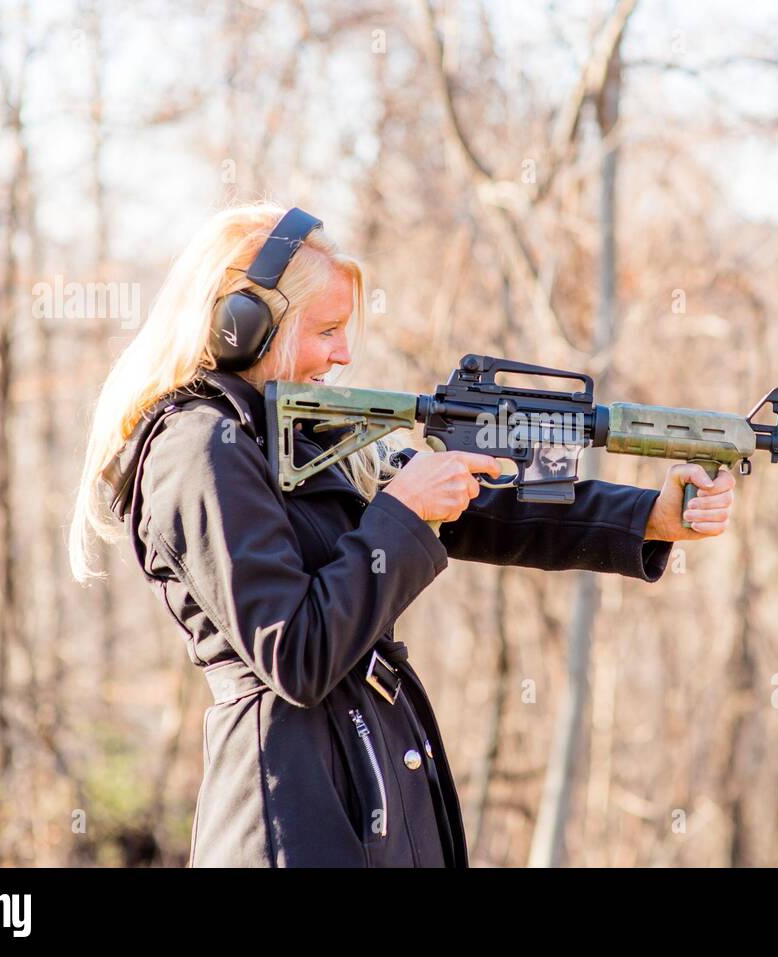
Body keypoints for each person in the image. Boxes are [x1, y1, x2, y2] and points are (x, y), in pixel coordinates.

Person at [68, 202, 737, 867]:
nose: (344, 352)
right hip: (292, 812)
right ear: (245, 325)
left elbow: (482, 502)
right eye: (326, 330)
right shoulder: (198, 448)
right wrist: (403, 514)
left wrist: (649, 516)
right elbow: (294, 650)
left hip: (353, 791)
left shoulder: (294, 435)